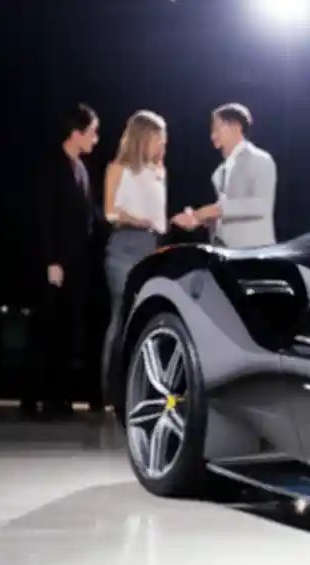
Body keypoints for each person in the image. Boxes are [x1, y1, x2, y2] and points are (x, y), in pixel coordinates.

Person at [21, 103, 101, 419]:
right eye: (92, 132)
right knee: (46, 330)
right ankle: (33, 398)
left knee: (68, 331)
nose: (95, 139)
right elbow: (45, 217)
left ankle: (58, 397)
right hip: (55, 263)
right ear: (76, 133)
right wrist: (52, 259)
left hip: (77, 263)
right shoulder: (51, 166)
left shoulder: (80, 168)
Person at [101, 110, 191, 386]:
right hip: (124, 246)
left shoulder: (159, 172)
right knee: (122, 314)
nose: (163, 146)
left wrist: (179, 220)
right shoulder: (117, 168)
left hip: (153, 247)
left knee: (148, 319)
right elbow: (109, 212)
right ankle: (111, 387)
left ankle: (139, 386)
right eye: (159, 140)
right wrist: (136, 219)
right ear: (144, 138)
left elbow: (159, 220)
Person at [180, 103, 277, 248]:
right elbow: (228, 215)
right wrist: (200, 219)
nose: (212, 136)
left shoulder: (261, 159)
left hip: (254, 252)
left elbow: (261, 205)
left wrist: (214, 211)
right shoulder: (218, 172)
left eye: (217, 129)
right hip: (224, 252)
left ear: (236, 127)